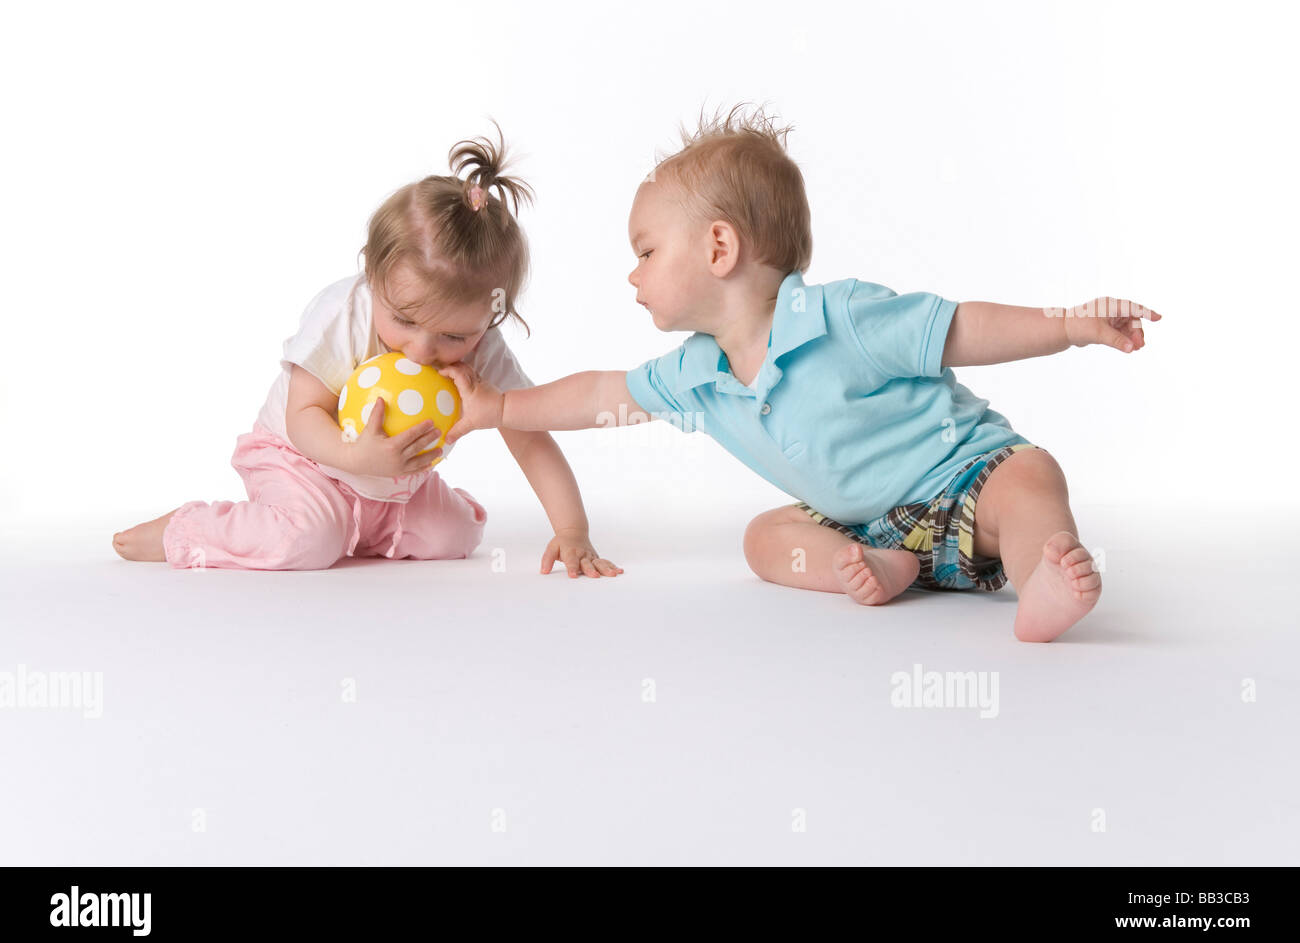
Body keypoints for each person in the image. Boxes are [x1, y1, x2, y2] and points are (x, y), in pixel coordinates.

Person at [441, 105, 1161, 641]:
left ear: (719, 246)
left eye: (647, 251)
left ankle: (1044, 585)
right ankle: (875, 566)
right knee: (764, 540)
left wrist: (1068, 326)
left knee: (1032, 479)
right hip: (869, 526)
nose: (633, 274)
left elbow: (962, 328)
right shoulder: (697, 372)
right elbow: (601, 393)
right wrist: (499, 409)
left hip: (967, 484)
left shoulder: (840, 317)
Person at [112, 125, 622, 579]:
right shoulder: (344, 313)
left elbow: (529, 438)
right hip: (303, 458)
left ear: (490, 316)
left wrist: (573, 530)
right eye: (403, 320)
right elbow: (302, 414)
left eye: (454, 337)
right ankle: (187, 532)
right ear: (372, 277)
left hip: (393, 480)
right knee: (305, 542)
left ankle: (360, 528)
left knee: (455, 538)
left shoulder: (485, 347)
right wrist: (355, 456)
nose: (422, 351)